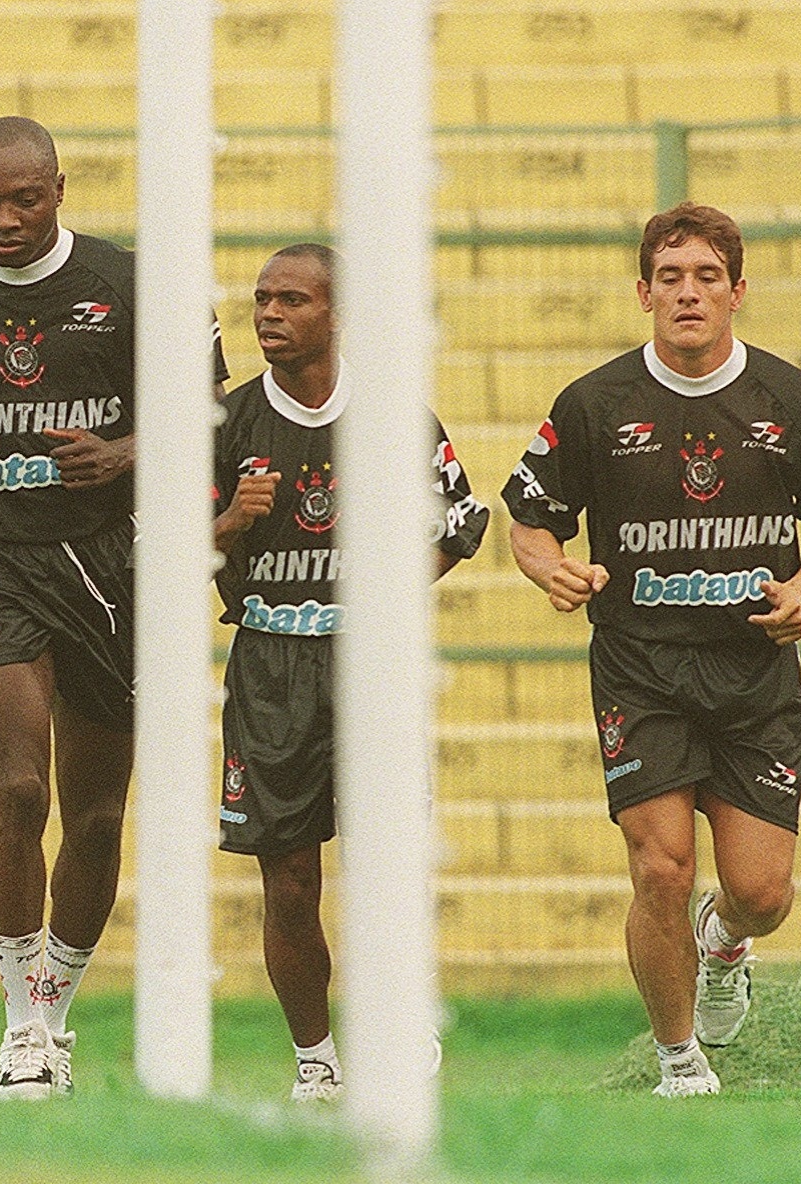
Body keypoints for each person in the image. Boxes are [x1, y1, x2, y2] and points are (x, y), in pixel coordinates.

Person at [0, 116, 225, 1099]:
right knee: (19, 789)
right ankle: (20, 1024)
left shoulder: (134, 285)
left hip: (111, 559)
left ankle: (57, 1009)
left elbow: (205, 408)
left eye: (24, 199)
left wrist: (123, 452)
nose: (5, 219)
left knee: (95, 814)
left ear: (60, 187)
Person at [502, 202, 801, 1097]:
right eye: (669, 277)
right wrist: (551, 570)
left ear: (737, 291)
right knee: (660, 866)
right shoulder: (594, 403)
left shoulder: (794, 401)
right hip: (640, 667)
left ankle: (722, 941)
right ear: (642, 292)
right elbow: (529, 521)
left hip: (752, 669)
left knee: (761, 893)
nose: (687, 293)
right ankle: (677, 1061)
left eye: (704, 277)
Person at [212, 243, 488, 1102]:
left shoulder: (394, 415)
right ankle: (316, 1062)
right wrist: (227, 522)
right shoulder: (224, 423)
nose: (269, 313)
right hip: (268, 663)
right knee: (289, 879)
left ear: (339, 315)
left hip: (370, 666)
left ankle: (397, 1027)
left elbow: (460, 523)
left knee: (386, 863)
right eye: (261, 298)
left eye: (291, 299)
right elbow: (159, 554)